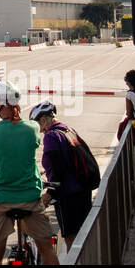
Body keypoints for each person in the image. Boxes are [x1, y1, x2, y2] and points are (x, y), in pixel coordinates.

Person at [0, 81, 59, 265]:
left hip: (0, 200)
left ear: (0, 104)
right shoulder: (32, 128)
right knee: (46, 248)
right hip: (30, 199)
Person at [31, 100, 93, 251]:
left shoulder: (51, 136)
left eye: (37, 125)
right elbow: (67, 160)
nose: (39, 131)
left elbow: (58, 168)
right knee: (84, 237)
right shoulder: (66, 129)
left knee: (71, 239)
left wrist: (50, 193)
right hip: (82, 191)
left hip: (67, 195)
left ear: (44, 120)